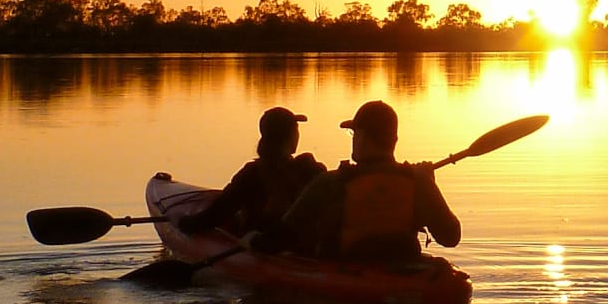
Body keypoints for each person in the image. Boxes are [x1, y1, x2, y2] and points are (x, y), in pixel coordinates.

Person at [259, 99, 461, 263]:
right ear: (394, 140)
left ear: (362, 137)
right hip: (402, 269)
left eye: (353, 133)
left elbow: (283, 236)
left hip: (346, 275)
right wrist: (429, 186)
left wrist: (254, 242)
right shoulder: (418, 181)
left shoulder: (331, 182)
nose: (353, 139)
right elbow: (450, 237)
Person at [178, 106, 326, 237]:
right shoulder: (312, 170)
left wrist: (186, 224)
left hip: (262, 240)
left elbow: (219, 212)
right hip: (293, 244)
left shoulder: (252, 173)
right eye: (295, 129)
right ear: (291, 137)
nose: (298, 134)